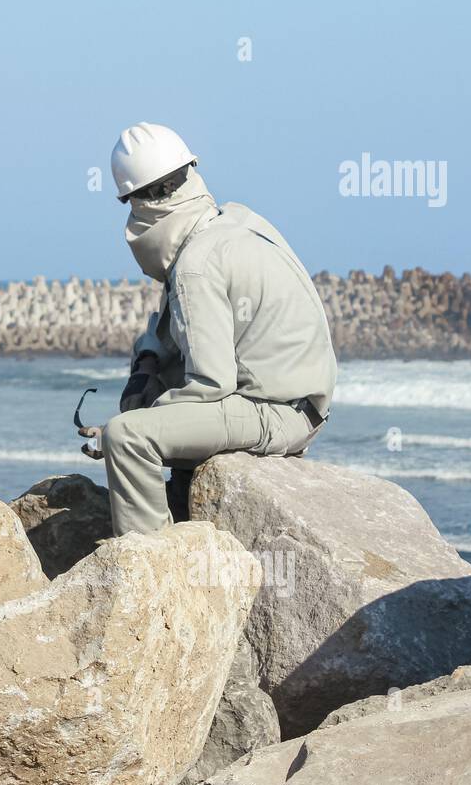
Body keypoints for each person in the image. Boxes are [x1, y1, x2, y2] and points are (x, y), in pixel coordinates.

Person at [92, 122, 338, 536]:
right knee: (152, 391)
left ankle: (149, 563)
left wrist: (135, 423)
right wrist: (148, 365)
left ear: (138, 201)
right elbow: (175, 329)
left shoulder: (195, 264)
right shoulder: (236, 221)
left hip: (274, 412)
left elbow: (211, 384)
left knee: (127, 437)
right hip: (304, 402)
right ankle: (181, 493)